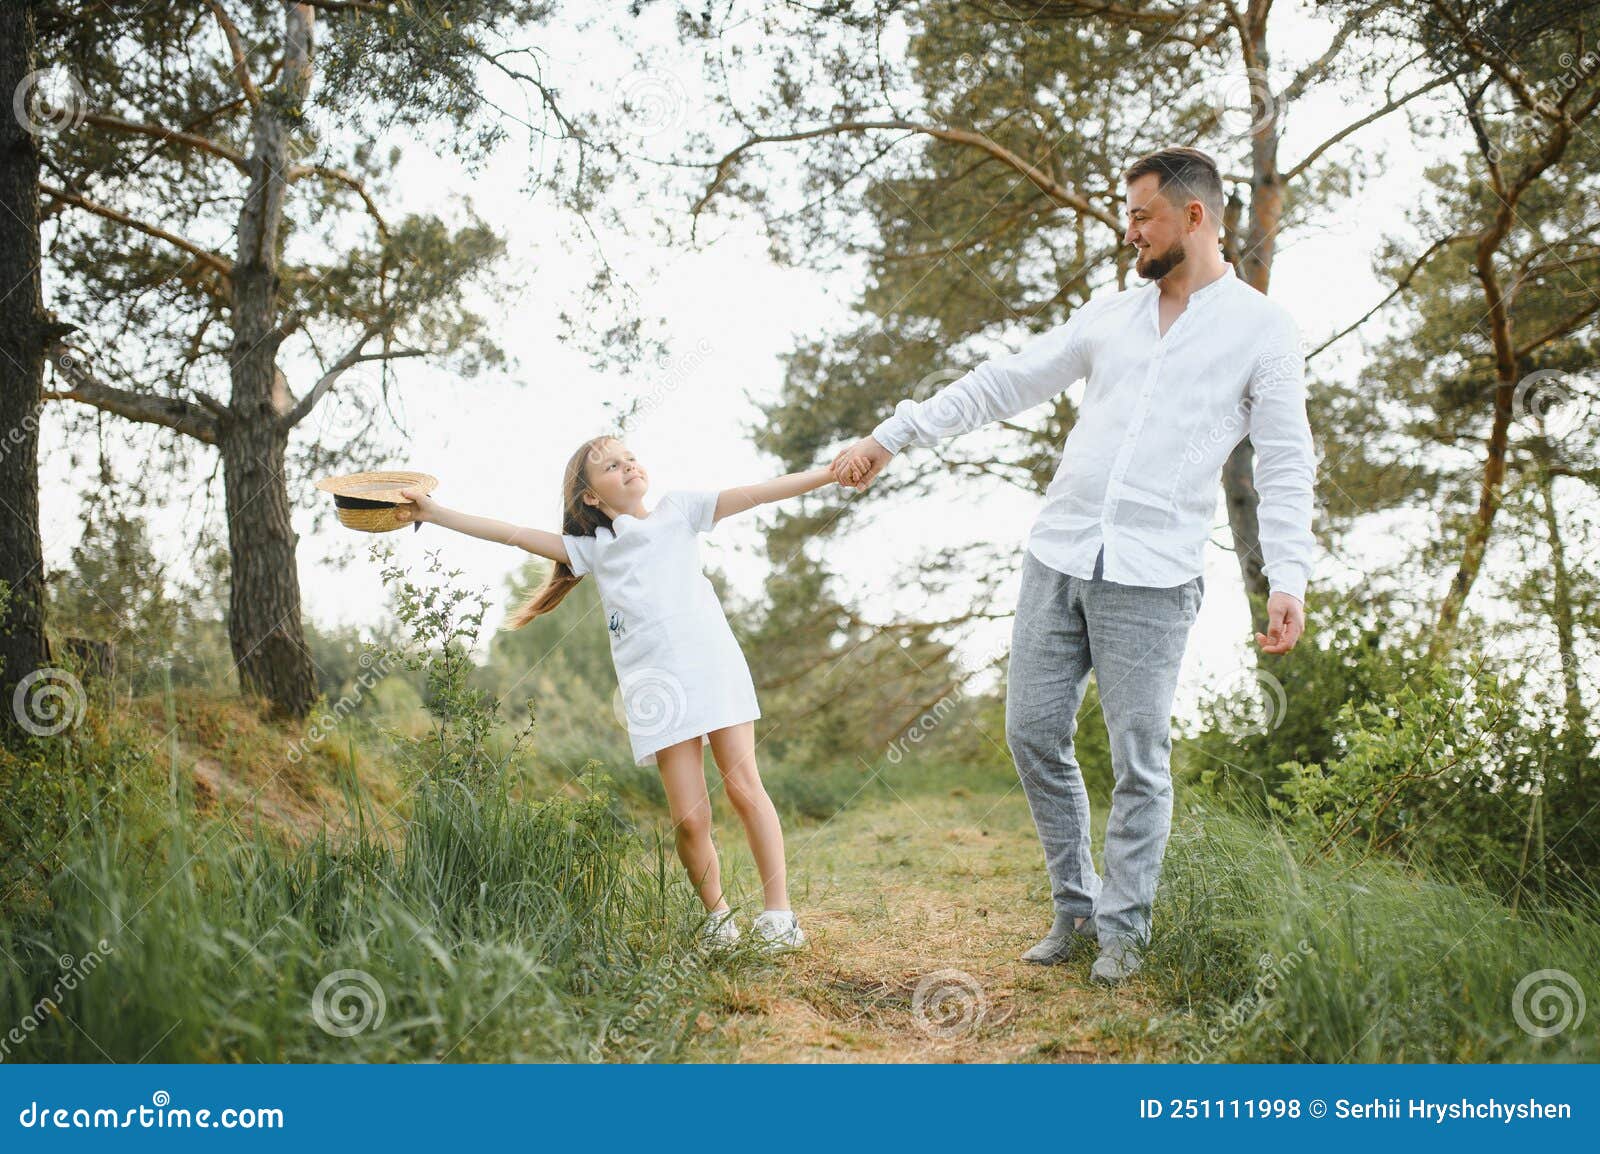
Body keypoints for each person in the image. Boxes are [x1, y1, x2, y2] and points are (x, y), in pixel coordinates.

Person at [833, 146, 1316, 984]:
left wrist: (1289, 575)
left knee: (1139, 759)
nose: (1128, 232)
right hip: (1058, 555)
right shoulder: (1110, 315)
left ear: (1193, 217)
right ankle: (1076, 907)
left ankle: (1124, 935)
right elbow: (1002, 382)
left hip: (1155, 576)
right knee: (1031, 733)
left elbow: (1284, 458)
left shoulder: (1262, 330)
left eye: (1141, 217)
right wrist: (891, 435)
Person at [399, 437, 839, 952]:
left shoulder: (681, 510)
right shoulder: (594, 551)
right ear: (590, 497)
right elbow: (511, 534)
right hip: (657, 693)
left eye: (629, 457)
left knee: (744, 787)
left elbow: (760, 493)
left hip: (714, 670)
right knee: (690, 819)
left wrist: (830, 474)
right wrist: (434, 512)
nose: (627, 465)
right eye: (611, 466)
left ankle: (779, 917)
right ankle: (717, 921)